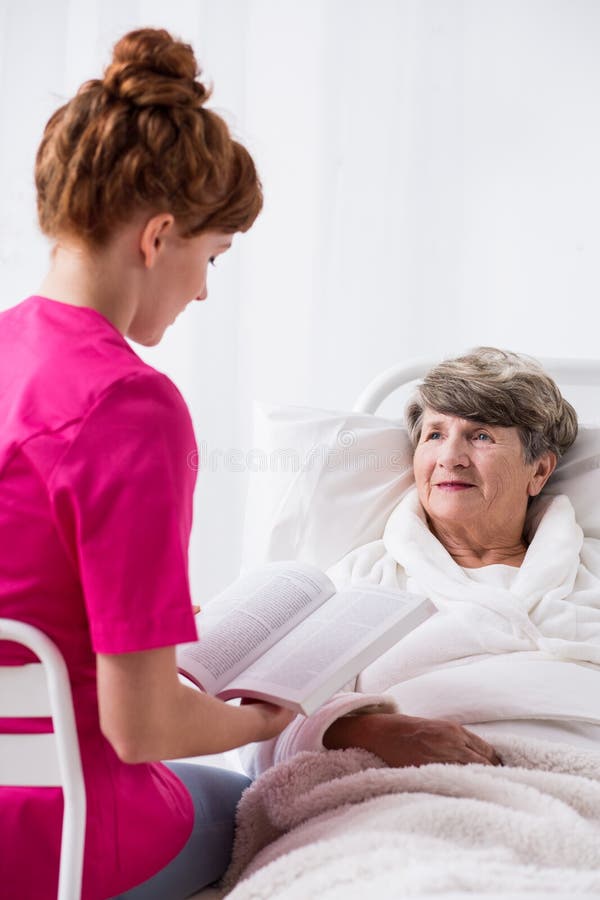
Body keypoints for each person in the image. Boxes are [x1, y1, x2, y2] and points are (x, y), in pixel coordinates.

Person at [0, 28, 294, 900]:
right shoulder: (129, 405)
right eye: (211, 258)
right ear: (158, 235)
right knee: (271, 807)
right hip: (70, 843)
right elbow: (143, 728)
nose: (204, 290)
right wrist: (261, 715)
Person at [242, 347, 600, 779]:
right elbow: (264, 733)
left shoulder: (591, 573)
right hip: (408, 792)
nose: (450, 457)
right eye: (434, 435)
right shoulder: (361, 580)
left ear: (539, 471)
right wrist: (373, 731)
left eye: (481, 435)